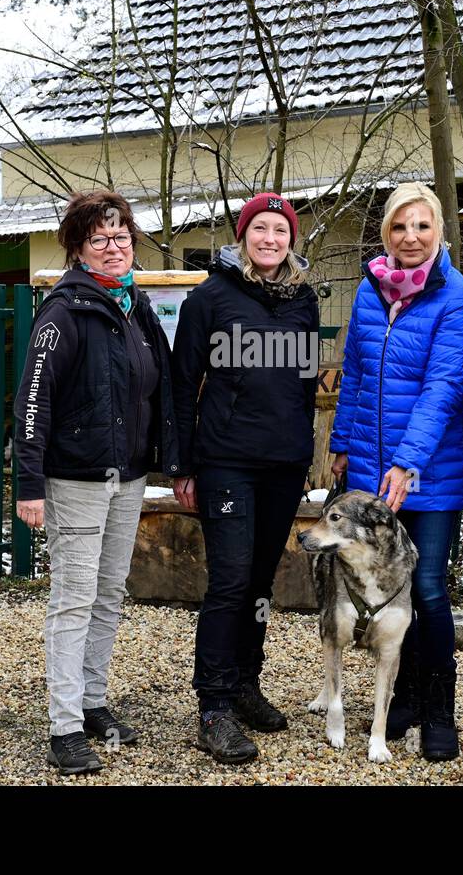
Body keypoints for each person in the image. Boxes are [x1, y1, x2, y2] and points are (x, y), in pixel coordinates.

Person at [12, 190, 182, 775]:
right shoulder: (63, 311)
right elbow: (32, 400)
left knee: (109, 595)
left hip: (127, 477)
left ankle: (91, 701)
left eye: (123, 237)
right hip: (75, 480)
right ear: (80, 249)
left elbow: (159, 389)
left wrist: (172, 460)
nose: (115, 248)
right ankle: (64, 726)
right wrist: (28, 482)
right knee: (74, 601)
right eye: (101, 239)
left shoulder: (135, 308)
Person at [328, 182, 463, 761]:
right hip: (368, 468)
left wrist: (408, 463)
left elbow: (443, 390)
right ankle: (404, 700)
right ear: (385, 233)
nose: (410, 238)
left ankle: (439, 710)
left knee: (429, 588)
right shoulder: (371, 291)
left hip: (428, 474)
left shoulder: (457, 298)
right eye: (399, 227)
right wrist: (342, 443)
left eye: (422, 226)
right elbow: (358, 374)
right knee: (384, 590)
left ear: (438, 231)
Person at [171, 192, 320, 764]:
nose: (270, 239)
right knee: (230, 582)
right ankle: (212, 706)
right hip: (226, 461)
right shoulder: (210, 298)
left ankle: (244, 683)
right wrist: (182, 465)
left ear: (291, 239)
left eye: (280, 231)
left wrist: (305, 451)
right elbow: (183, 384)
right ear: (242, 236)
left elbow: (303, 385)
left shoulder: (302, 300)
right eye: (259, 229)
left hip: (282, 463)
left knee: (261, 582)